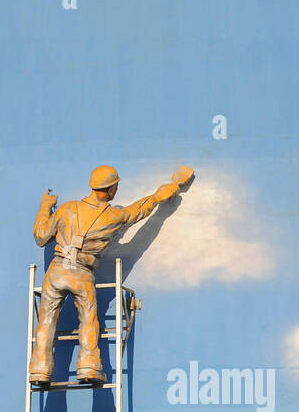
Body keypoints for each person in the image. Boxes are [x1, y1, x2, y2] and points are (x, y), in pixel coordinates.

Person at [28, 164, 194, 385]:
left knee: (46, 322)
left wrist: (45, 206)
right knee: (88, 320)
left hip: (57, 271)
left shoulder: (67, 209)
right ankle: (88, 367)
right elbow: (140, 210)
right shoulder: (114, 217)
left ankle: (40, 369)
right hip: (82, 273)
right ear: (111, 189)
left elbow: (41, 237)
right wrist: (159, 194)